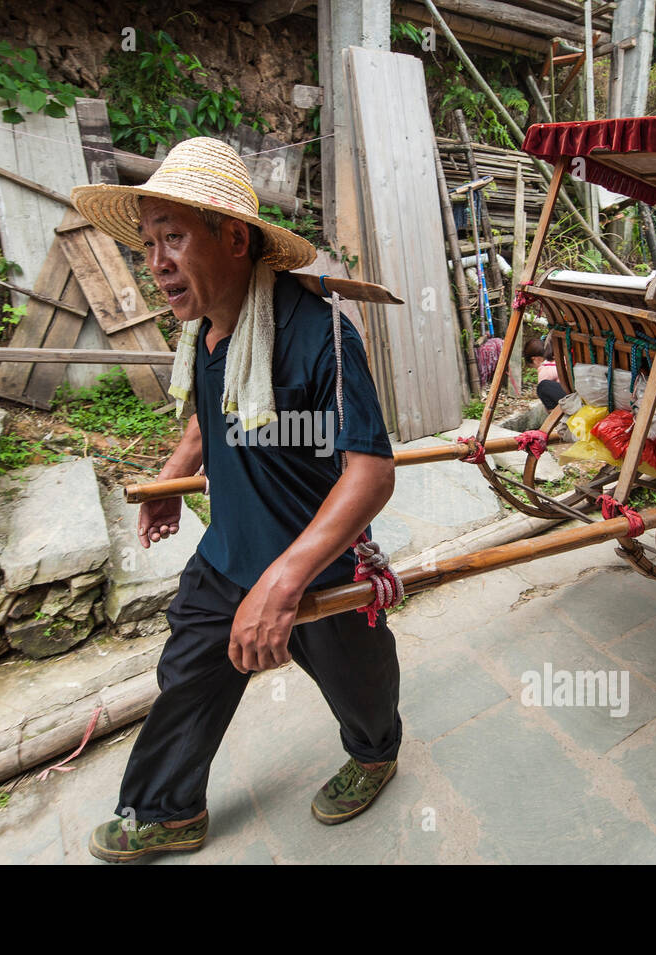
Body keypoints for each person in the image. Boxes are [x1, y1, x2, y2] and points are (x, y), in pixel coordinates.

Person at [70, 138, 402, 862]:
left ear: (234, 237)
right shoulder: (209, 330)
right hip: (228, 556)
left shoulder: (321, 335)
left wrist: (284, 581)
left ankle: (377, 753)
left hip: (317, 564)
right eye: (149, 242)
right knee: (187, 675)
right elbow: (213, 413)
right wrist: (174, 473)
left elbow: (371, 473)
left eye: (174, 238)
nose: (156, 260)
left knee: (363, 689)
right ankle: (166, 810)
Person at [523, 334, 566, 411]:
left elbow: (546, 397)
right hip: (575, 392)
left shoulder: (544, 370)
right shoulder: (559, 359)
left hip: (570, 398)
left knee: (542, 388)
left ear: (534, 359)